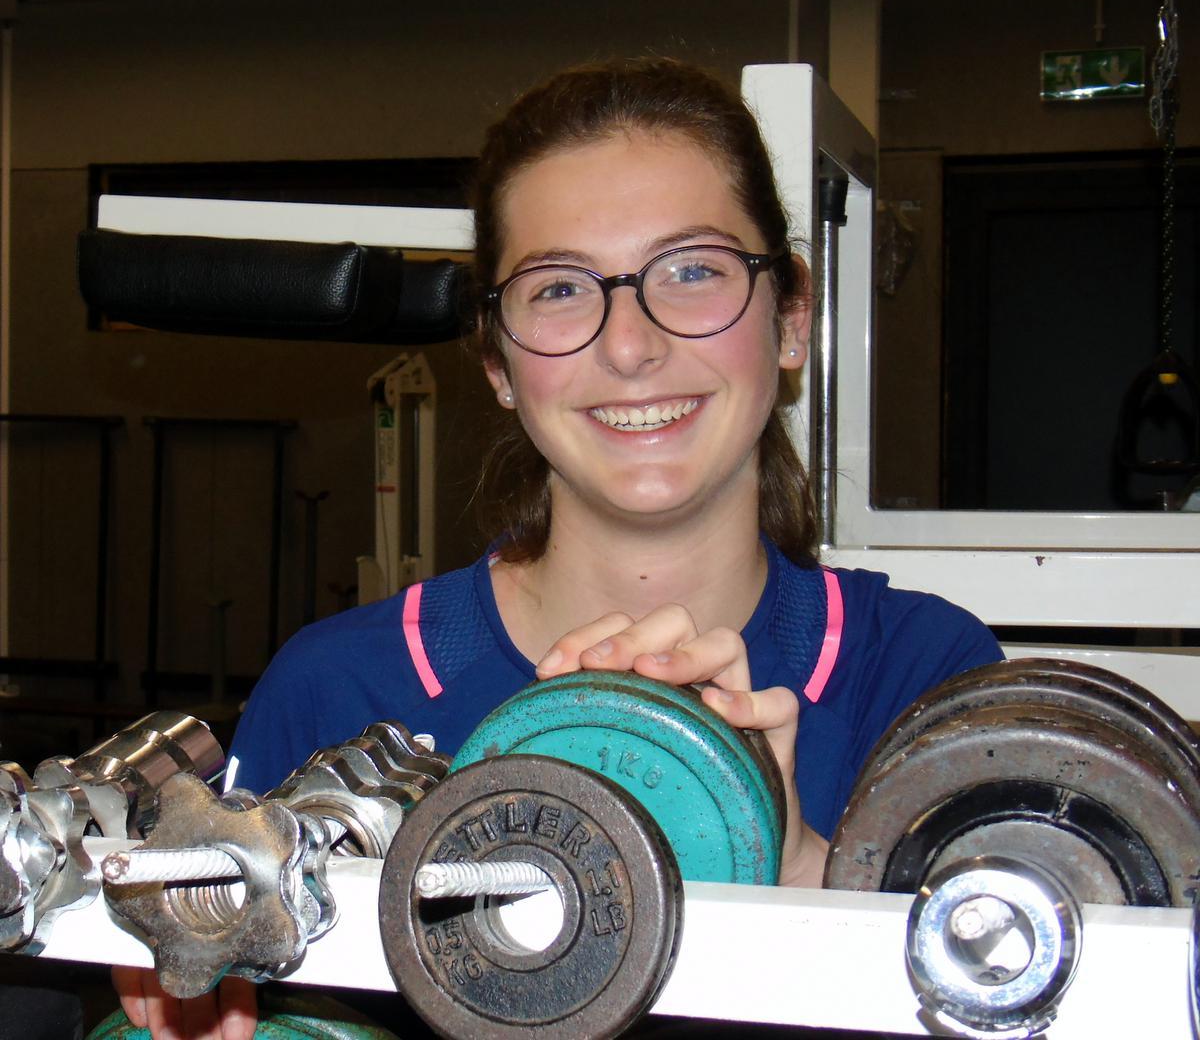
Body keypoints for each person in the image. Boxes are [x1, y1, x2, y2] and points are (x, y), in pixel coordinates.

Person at [114, 57, 1002, 1039]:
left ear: (790, 318)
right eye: (560, 290)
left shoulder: (925, 683)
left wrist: (795, 858)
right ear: (497, 362)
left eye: (694, 271)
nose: (629, 345)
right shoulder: (337, 691)